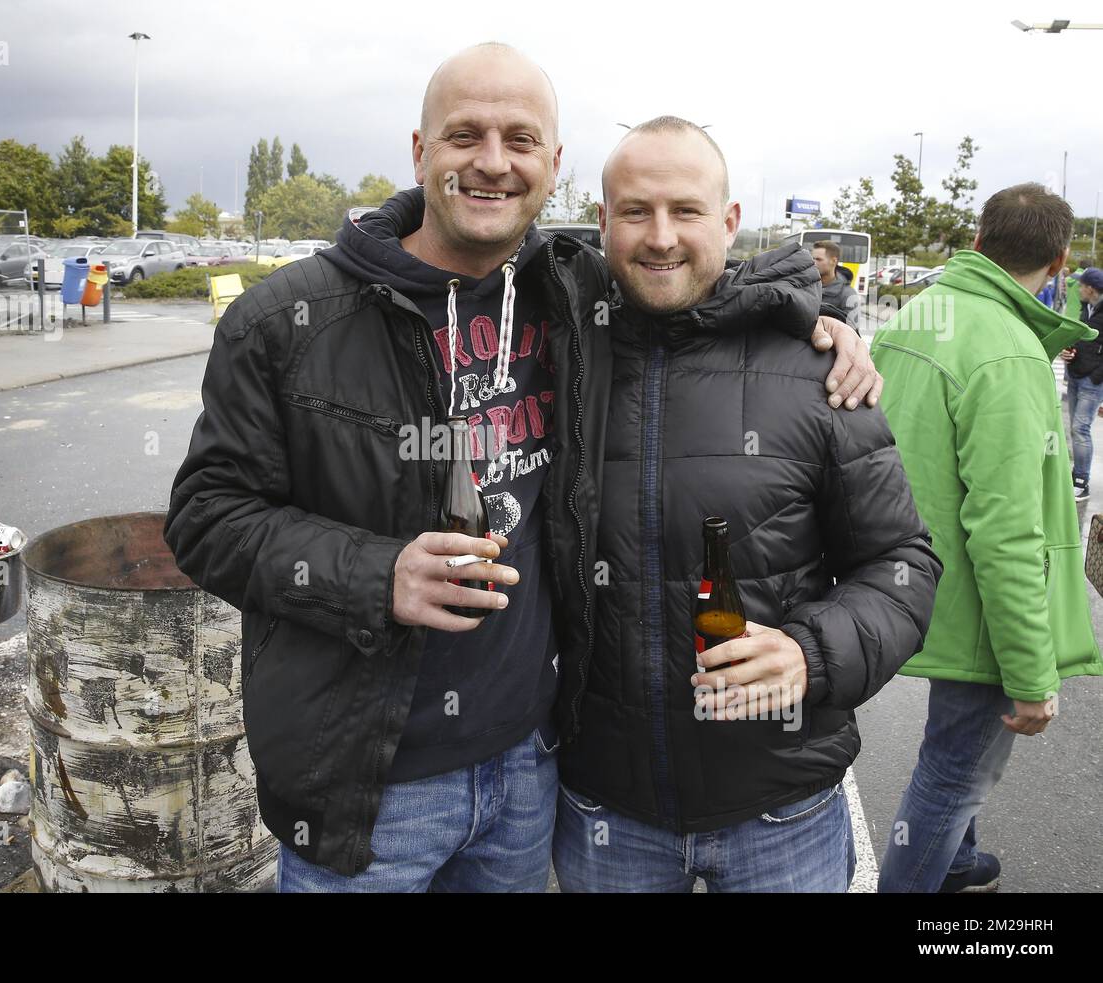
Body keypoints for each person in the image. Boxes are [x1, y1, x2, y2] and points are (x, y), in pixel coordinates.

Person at [164, 44, 878, 892]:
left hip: (532, 768)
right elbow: (206, 518)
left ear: (554, 166)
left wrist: (816, 317)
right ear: (421, 151)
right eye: (465, 135)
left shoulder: (569, 293)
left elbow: (694, 272)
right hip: (368, 784)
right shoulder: (285, 322)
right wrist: (375, 571)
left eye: (521, 139)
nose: (493, 162)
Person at [549, 117, 940, 893]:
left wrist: (810, 653)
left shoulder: (817, 370)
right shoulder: (556, 357)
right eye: (635, 211)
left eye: (686, 210)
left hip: (783, 817)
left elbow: (902, 564)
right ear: (602, 222)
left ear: (729, 222)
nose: (661, 236)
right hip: (605, 814)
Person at [871, 184, 1103, 893]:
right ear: (1061, 259)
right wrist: (1033, 674)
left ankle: (961, 860)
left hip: (908, 578)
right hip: (977, 603)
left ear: (978, 242)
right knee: (952, 774)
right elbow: (1006, 530)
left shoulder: (916, 315)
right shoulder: (1012, 352)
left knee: (951, 747)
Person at [1061, 267, 1103, 498]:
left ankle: (1081, 481)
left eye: (1080, 285)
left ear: (1090, 288)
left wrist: (1096, 377)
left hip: (1091, 380)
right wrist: (1071, 352)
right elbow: (1083, 339)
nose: (1077, 288)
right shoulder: (1087, 308)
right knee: (1077, 430)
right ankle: (1077, 473)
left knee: (1080, 428)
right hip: (1076, 375)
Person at [812, 239, 861, 331]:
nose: (813, 263)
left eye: (818, 259)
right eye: (812, 258)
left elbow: (852, 330)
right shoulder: (803, 286)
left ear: (834, 261)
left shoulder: (848, 294)